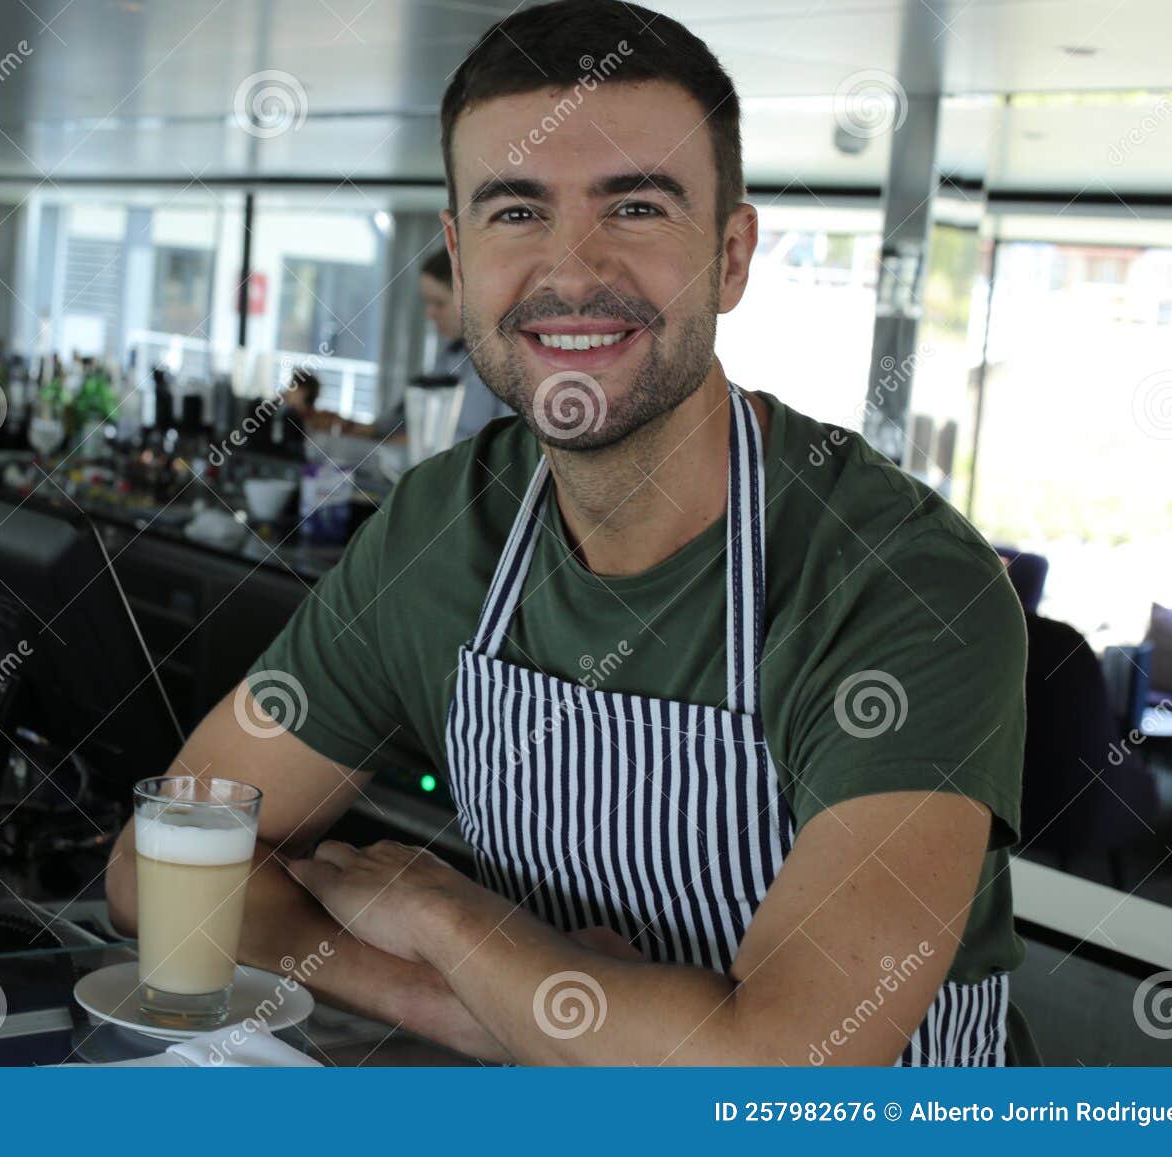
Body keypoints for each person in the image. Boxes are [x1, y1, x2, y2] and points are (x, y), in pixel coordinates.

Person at [107, 0, 1034, 1066]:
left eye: (635, 207)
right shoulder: (439, 527)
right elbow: (161, 869)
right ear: (456, 261)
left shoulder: (902, 584)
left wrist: (453, 921)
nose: (570, 268)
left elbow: (779, 1069)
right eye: (515, 212)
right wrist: (471, 999)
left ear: (731, 256)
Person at [419, 248, 514, 441]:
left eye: (439, 303)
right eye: (427, 303)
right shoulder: (452, 355)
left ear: (471, 297)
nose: (430, 314)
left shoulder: (508, 362)